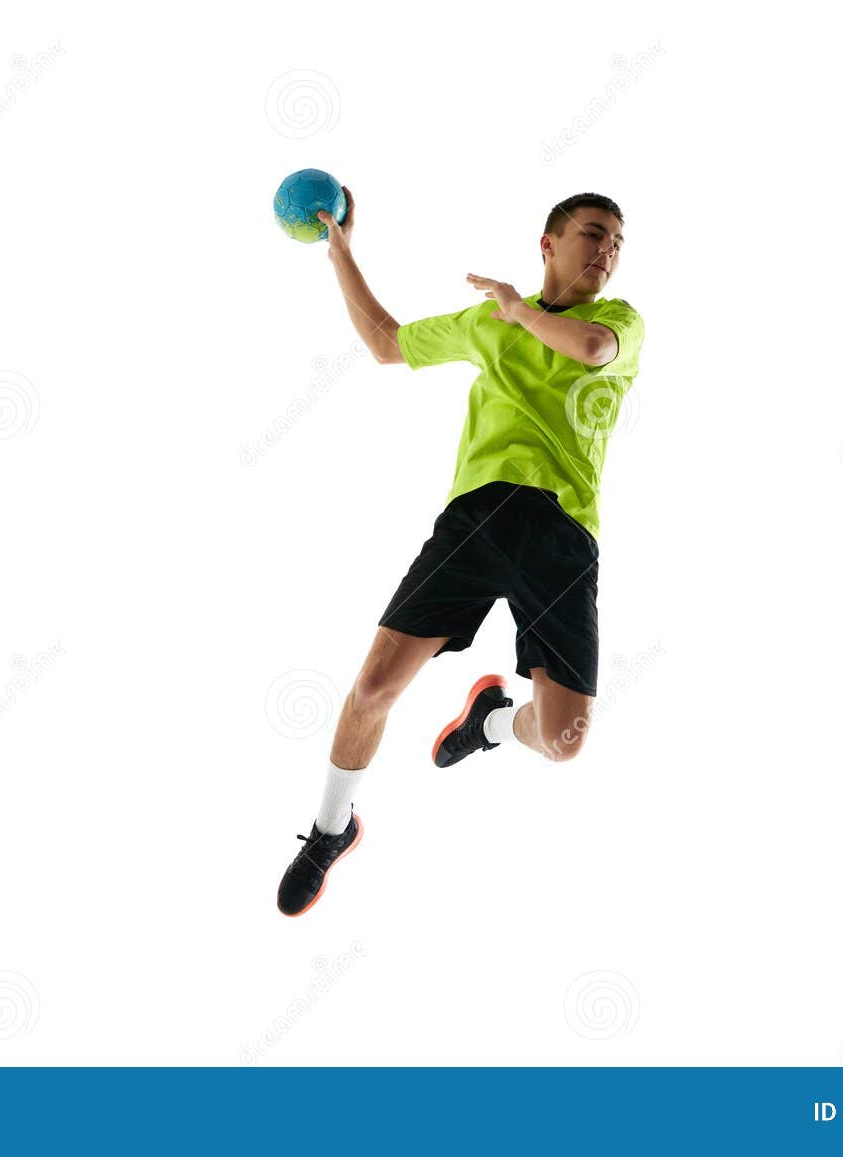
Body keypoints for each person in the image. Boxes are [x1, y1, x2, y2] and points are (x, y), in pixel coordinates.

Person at [276, 188, 645, 917]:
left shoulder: (617, 322)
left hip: (563, 535)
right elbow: (386, 342)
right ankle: (330, 826)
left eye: (617, 243)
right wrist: (341, 253)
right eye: (593, 235)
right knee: (376, 686)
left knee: (564, 739)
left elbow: (591, 350)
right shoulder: (490, 323)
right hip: (477, 518)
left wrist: (519, 311)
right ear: (549, 244)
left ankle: (492, 723)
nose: (607, 250)